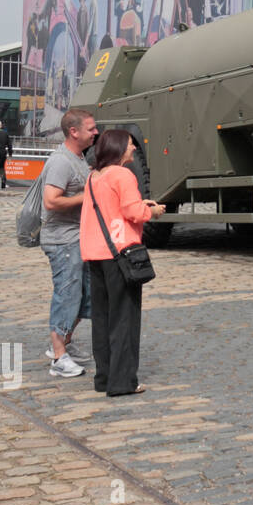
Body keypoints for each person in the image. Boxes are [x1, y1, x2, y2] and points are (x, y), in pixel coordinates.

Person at [80, 129, 164, 396]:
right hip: (120, 253)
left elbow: (110, 209)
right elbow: (132, 211)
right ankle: (123, 381)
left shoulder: (94, 177)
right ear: (118, 148)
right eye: (130, 145)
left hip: (95, 253)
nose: (134, 149)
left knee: (102, 320)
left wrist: (140, 203)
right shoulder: (123, 174)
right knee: (124, 320)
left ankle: (104, 377)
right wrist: (153, 211)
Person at [41, 109, 99, 377]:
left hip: (78, 239)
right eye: (90, 128)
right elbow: (51, 201)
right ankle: (58, 357)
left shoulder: (79, 157)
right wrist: (87, 196)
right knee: (67, 294)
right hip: (63, 241)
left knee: (85, 295)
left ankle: (65, 342)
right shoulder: (61, 161)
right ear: (74, 132)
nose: (95, 132)